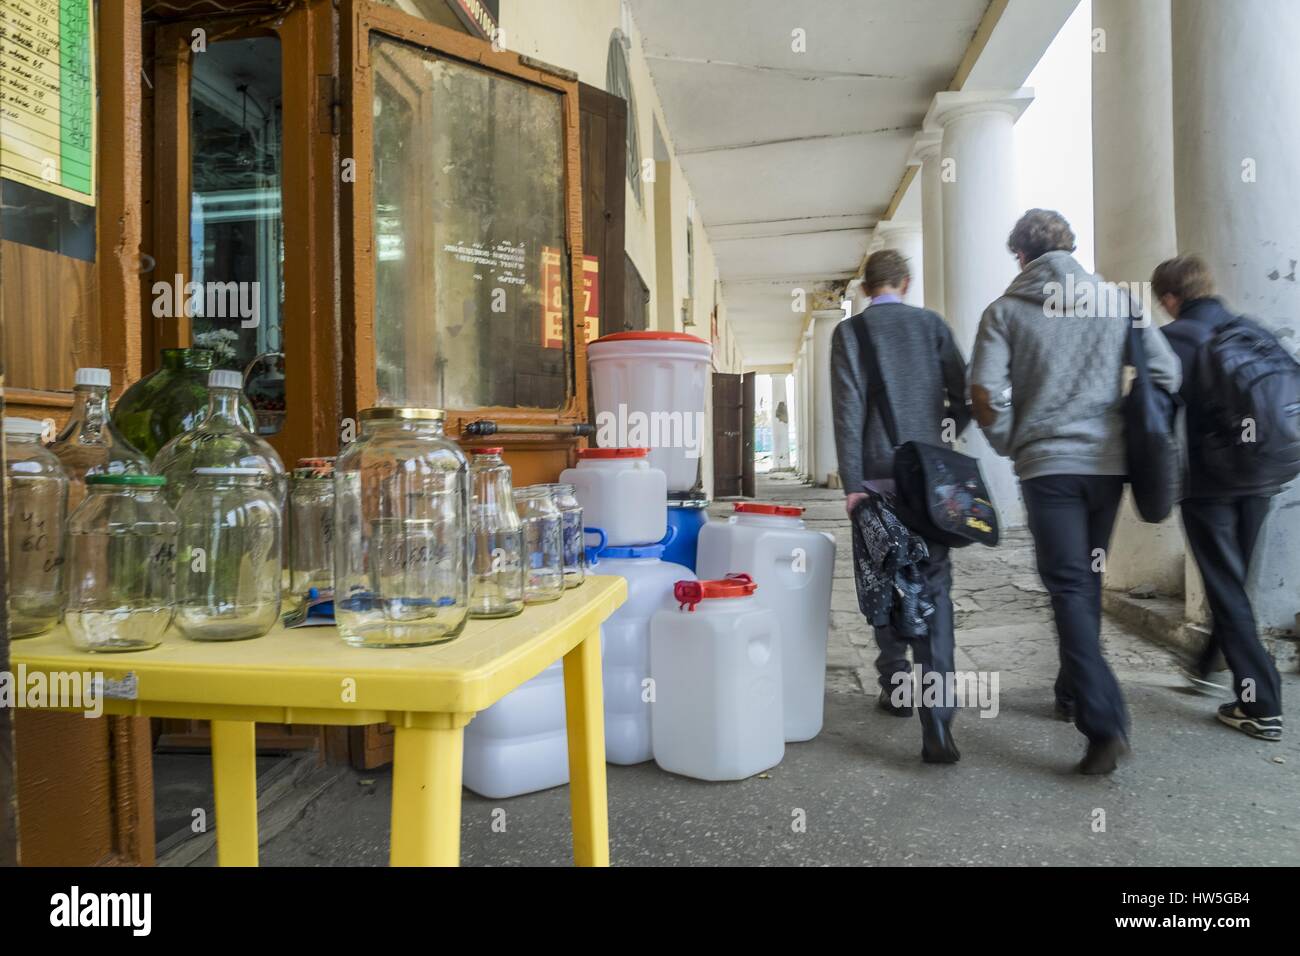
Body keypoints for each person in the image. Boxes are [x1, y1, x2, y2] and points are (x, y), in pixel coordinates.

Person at [969, 209, 1181, 775]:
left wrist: (1013, 440)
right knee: (1082, 578)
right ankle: (1070, 689)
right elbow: (1167, 373)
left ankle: (1105, 722)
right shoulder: (1120, 303)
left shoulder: (1005, 311)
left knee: (1068, 587)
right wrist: (1123, 417)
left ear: (1020, 255)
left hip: (1046, 468)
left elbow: (985, 392)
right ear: (1072, 246)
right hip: (1107, 468)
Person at [830, 248, 970, 763]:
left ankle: (895, 685)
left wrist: (852, 482)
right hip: (929, 483)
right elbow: (966, 395)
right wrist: (941, 441)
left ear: (866, 288)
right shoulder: (932, 326)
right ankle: (938, 723)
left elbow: (848, 410)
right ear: (905, 283)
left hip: (874, 481)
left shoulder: (849, 334)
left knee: (883, 577)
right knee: (933, 588)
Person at [1154, 255, 1284, 742]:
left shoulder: (1173, 340)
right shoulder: (1252, 330)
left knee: (1226, 588)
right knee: (1230, 584)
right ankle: (1208, 662)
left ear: (1170, 298)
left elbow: (1153, 420)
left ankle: (1261, 704)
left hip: (1211, 486)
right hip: (1262, 478)